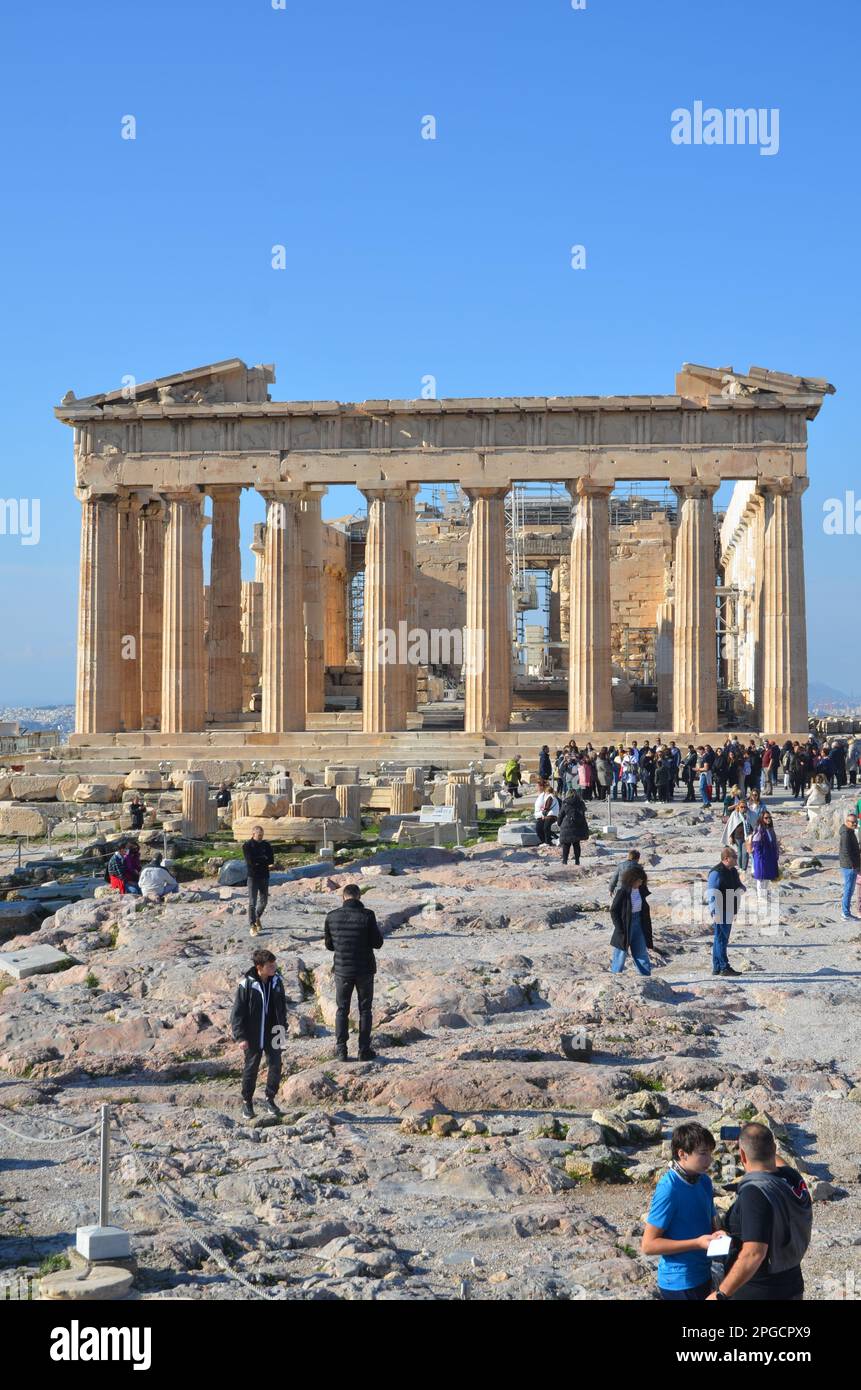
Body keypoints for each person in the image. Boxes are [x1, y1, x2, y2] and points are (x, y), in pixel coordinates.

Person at [709, 1123, 812, 1302]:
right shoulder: (792, 1178)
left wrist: (721, 1294)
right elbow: (775, 1159)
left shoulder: (755, 1193)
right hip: (792, 1284)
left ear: (741, 1155)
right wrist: (756, 1139)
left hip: (760, 1290)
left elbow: (754, 1253)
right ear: (773, 1148)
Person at [642, 1122, 723, 1300]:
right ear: (682, 1154)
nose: (709, 1160)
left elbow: (710, 1222)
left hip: (704, 1273)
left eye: (710, 1153)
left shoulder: (704, 1181)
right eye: (703, 1154)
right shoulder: (669, 1188)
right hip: (679, 1282)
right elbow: (648, 1245)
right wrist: (697, 1243)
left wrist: (719, 1233)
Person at [324, 883, 384, 1062]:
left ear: (343, 897)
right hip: (364, 969)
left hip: (342, 970)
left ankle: (341, 1050)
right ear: (359, 897)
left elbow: (329, 945)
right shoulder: (367, 915)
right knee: (365, 1009)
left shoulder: (331, 916)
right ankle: (363, 1050)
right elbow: (378, 943)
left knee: (342, 1009)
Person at [230, 948, 288, 1120]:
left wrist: (283, 1029)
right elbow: (237, 1013)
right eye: (270, 966)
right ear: (259, 967)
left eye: (274, 964)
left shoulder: (277, 981)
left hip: (275, 1031)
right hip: (253, 1033)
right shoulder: (246, 985)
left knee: (276, 1064)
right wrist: (240, 1036)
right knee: (251, 1067)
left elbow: (282, 1008)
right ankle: (247, 1102)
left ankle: (270, 1099)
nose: (274, 968)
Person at [707, 846, 745, 977]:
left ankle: (717, 967)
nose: (736, 859)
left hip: (729, 907)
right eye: (734, 857)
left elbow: (739, 885)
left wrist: (741, 889)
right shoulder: (716, 872)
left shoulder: (733, 871)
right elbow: (711, 893)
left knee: (720, 938)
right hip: (720, 909)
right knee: (721, 939)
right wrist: (714, 912)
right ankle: (724, 967)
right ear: (726, 858)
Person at [609, 864, 652, 975]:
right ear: (632, 880)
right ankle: (615, 977)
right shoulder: (622, 892)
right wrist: (619, 928)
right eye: (639, 880)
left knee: (641, 951)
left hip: (639, 924)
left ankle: (646, 977)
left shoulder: (641, 890)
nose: (641, 882)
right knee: (621, 953)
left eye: (642, 880)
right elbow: (613, 910)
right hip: (625, 925)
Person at [243, 824, 275, 936]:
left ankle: (257, 917)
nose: (261, 837)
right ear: (253, 834)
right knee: (252, 902)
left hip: (264, 875)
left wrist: (260, 860)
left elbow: (271, 860)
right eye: (259, 835)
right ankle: (252, 925)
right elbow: (250, 862)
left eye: (262, 835)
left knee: (264, 901)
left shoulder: (266, 845)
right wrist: (263, 859)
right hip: (253, 876)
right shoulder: (247, 845)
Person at [748, 811, 780, 912]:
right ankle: (760, 897)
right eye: (766, 818)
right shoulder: (759, 830)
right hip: (762, 858)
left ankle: (764, 896)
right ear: (762, 819)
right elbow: (756, 845)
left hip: (770, 857)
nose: (768, 819)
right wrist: (759, 858)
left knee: (766, 878)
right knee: (760, 878)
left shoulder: (770, 830)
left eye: (769, 817)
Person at [838, 811, 860, 922]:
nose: (855, 824)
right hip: (849, 866)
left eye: (856, 822)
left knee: (849, 890)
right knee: (848, 890)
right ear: (846, 822)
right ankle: (845, 914)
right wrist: (852, 865)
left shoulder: (849, 831)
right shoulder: (846, 833)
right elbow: (846, 851)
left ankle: (846, 913)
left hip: (850, 865)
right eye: (852, 822)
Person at [557, 789, 589, 866]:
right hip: (578, 826)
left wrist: (559, 823)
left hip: (567, 825)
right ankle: (577, 861)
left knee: (566, 845)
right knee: (576, 844)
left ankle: (565, 861)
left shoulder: (566, 803)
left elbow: (561, 815)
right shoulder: (581, 803)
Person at [722, 798, 754, 871]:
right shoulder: (734, 814)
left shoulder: (750, 814)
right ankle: (740, 868)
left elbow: (753, 824)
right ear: (738, 807)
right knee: (739, 854)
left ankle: (744, 869)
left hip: (747, 837)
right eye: (741, 807)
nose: (743, 808)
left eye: (744, 807)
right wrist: (730, 836)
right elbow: (730, 826)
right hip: (737, 837)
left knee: (745, 854)